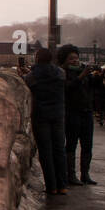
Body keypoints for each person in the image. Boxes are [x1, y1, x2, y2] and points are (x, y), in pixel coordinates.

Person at [25, 47, 68, 196]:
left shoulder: (32, 76)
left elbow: (30, 85)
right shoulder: (61, 73)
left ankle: (51, 187)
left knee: (45, 151)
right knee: (59, 150)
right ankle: (62, 185)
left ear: (37, 59)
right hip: (58, 114)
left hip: (40, 115)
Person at [60, 45, 97, 185]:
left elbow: (94, 87)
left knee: (87, 145)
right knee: (71, 144)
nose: (75, 61)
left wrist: (94, 75)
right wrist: (81, 76)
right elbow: (67, 88)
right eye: (71, 58)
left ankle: (85, 174)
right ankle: (70, 175)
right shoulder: (63, 72)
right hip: (72, 112)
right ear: (65, 60)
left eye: (76, 58)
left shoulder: (83, 72)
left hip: (86, 111)